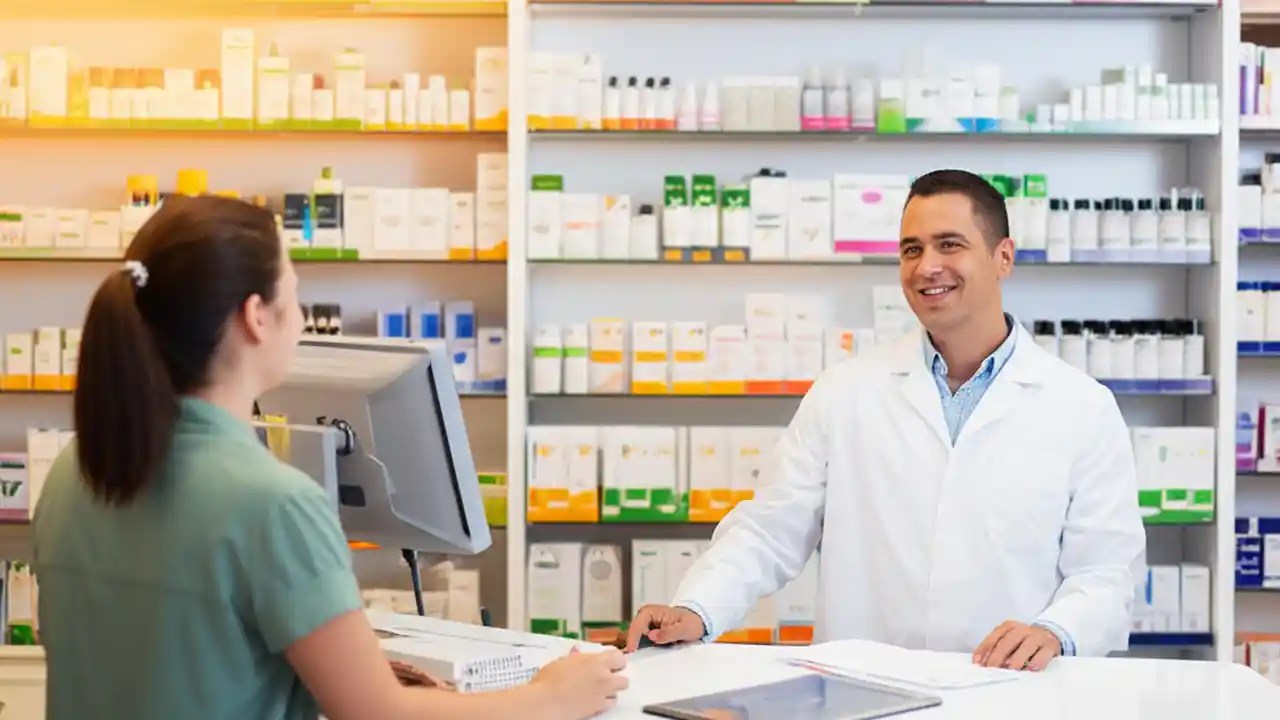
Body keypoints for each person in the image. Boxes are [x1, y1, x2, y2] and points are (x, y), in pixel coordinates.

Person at [33, 196, 627, 720]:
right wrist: (553, 697)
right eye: (293, 297)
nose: (299, 319)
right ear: (255, 316)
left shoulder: (77, 469)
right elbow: (377, 716)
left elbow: (160, 655)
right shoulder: (273, 503)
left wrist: (317, 666)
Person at [626, 169, 1146, 672]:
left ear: (1002, 257)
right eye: (911, 249)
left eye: (950, 244)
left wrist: (1056, 630)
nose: (926, 267)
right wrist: (697, 607)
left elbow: (1107, 572)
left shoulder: (1081, 406)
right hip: (861, 691)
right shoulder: (845, 391)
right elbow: (769, 530)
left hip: (1008, 692)